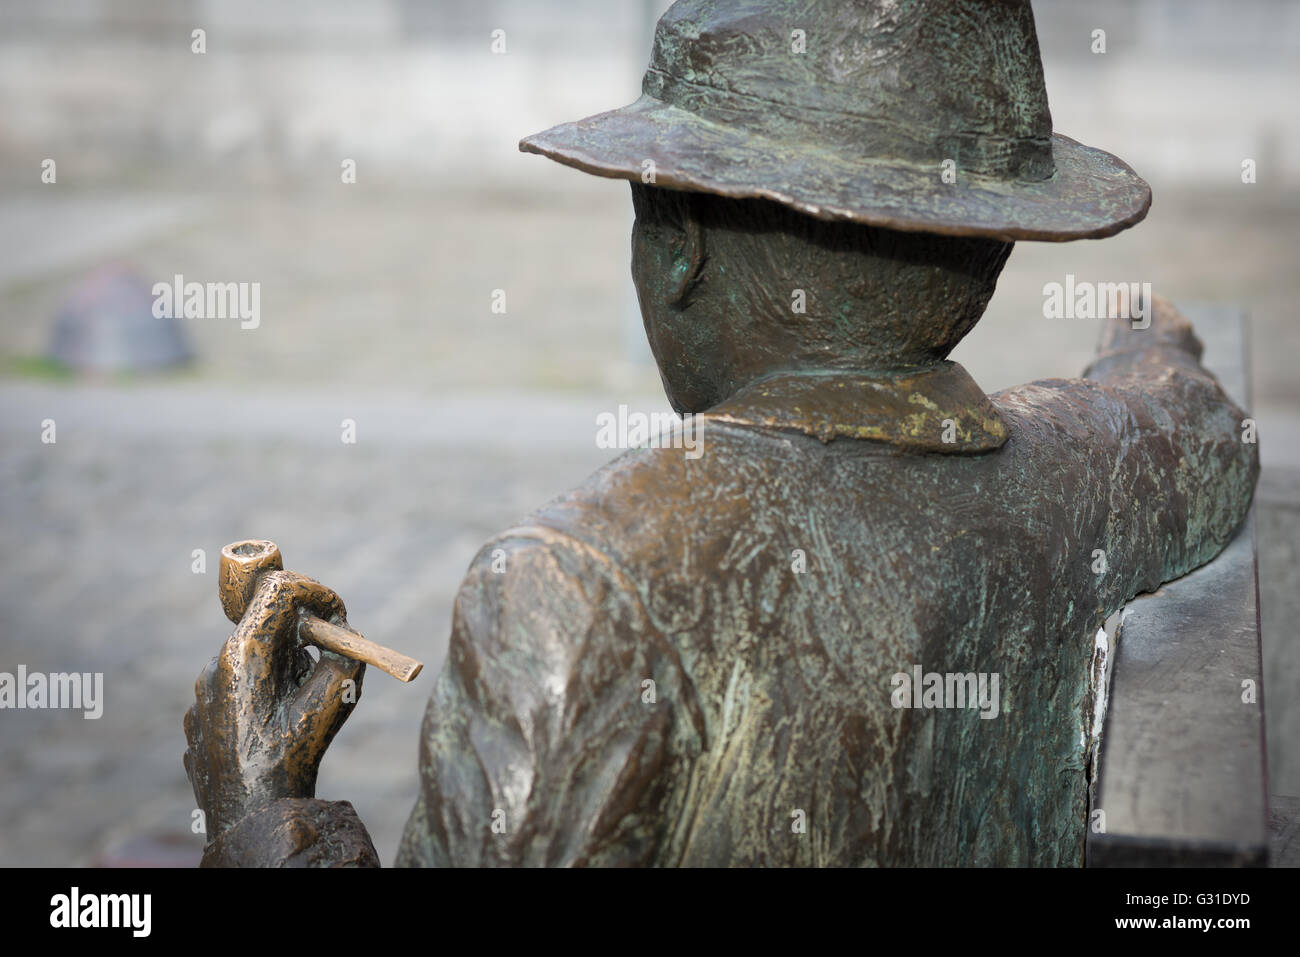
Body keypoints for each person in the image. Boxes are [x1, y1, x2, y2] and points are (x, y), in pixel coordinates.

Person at [184, 0, 1258, 866]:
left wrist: (258, 820)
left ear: (679, 243)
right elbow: (1192, 416)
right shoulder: (1095, 470)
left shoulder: (572, 587)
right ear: (993, 247)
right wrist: (1144, 349)